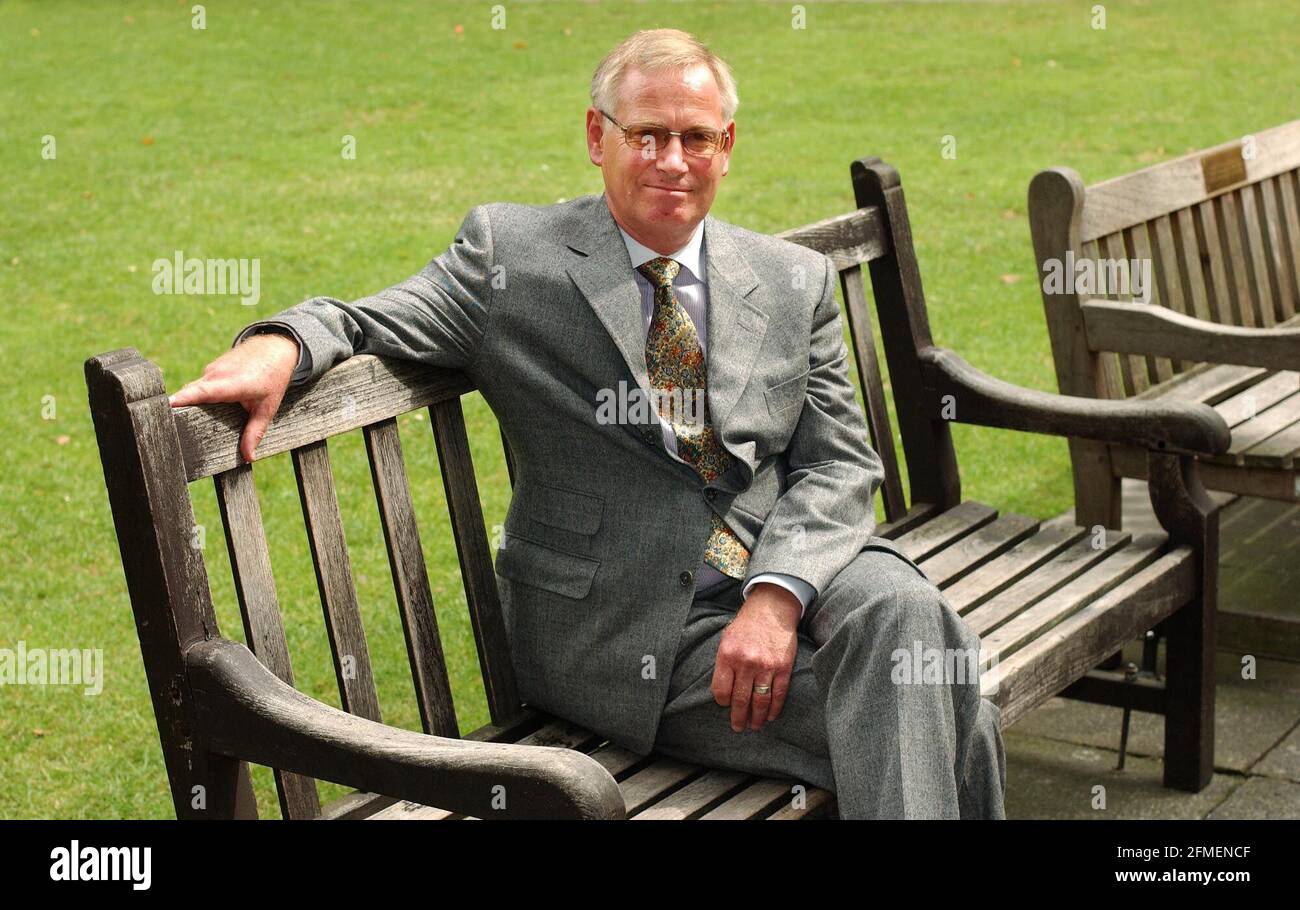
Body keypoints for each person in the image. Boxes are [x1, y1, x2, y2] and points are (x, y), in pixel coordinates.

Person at [169, 28, 1006, 819]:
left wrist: (777, 597)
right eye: (647, 135)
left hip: (791, 564)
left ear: (727, 146)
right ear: (596, 135)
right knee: (940, 700)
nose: (672, 160)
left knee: (905, 619)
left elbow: (839, 466)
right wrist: (280, 343)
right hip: (628, 635)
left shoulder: (792, 280)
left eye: (696, 137)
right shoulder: (512, 259)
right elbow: (365, 319)